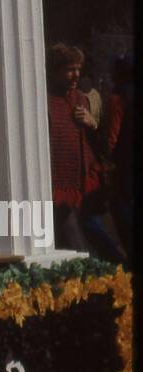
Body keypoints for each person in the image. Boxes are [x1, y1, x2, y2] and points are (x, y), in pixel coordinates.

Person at [46, 43, 123, 261]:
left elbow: (99, 144)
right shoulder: (45, 100)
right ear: (56, 70)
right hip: (60, 185)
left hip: (85, 183)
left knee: (93, 234)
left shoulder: (80, 99)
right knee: (75, 243)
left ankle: (114, 274)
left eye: (78, 69)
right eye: (70, 69)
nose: (76, 75)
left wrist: (92, 123)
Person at [104, 53, 134, 259]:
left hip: (125, 164)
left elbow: (111, 137)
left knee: (120, 206)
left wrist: (108, 163)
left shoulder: (119, 98)